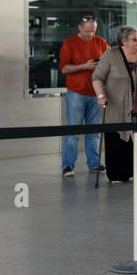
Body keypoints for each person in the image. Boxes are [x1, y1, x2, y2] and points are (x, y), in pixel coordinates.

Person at [92, 26, 137, 184]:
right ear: (124, 41)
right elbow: (97, 77)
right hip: (117, 107)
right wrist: (101, 95)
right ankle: (118, 174)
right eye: (134, 39)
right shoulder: (110, 55)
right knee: (118, 141)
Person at [58, 13, 109, 177]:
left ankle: (94, 164)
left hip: (96, 93)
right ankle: (68, 165)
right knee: (73, 132)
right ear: (80, 28)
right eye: (87, 31)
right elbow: (64, 68)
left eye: (93, 31)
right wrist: (84, 66)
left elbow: (110, 62)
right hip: (76, 93)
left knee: (94, 132)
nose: (90, 34)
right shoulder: (70, 43)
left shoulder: (101, 42)